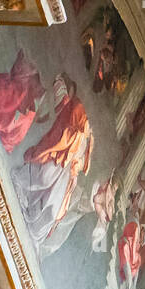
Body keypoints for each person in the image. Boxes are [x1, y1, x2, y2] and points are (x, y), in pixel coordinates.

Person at [12, 75, 93, 251]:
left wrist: (75, 166)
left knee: (55, 205)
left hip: (67, 169)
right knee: (43, 178)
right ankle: (20, 181)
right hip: (60, 156)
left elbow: (83, 159)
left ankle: (34, 230)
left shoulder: (87, 127)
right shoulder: (76, 107)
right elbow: (63, 116)